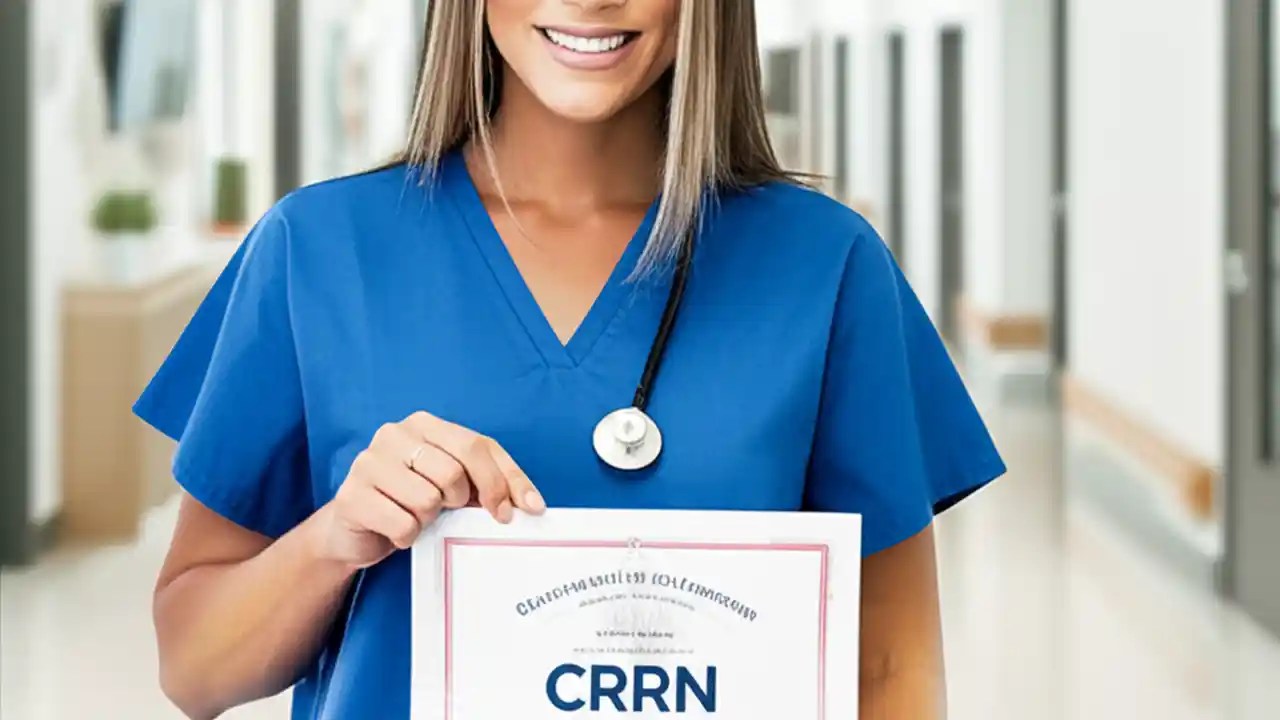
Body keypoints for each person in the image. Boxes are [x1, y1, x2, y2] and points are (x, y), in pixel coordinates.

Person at [134, 1, 1006, 718]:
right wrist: (334, 539)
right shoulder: (318, 250)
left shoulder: (826, 266)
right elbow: (193, 671)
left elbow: (891, 671)